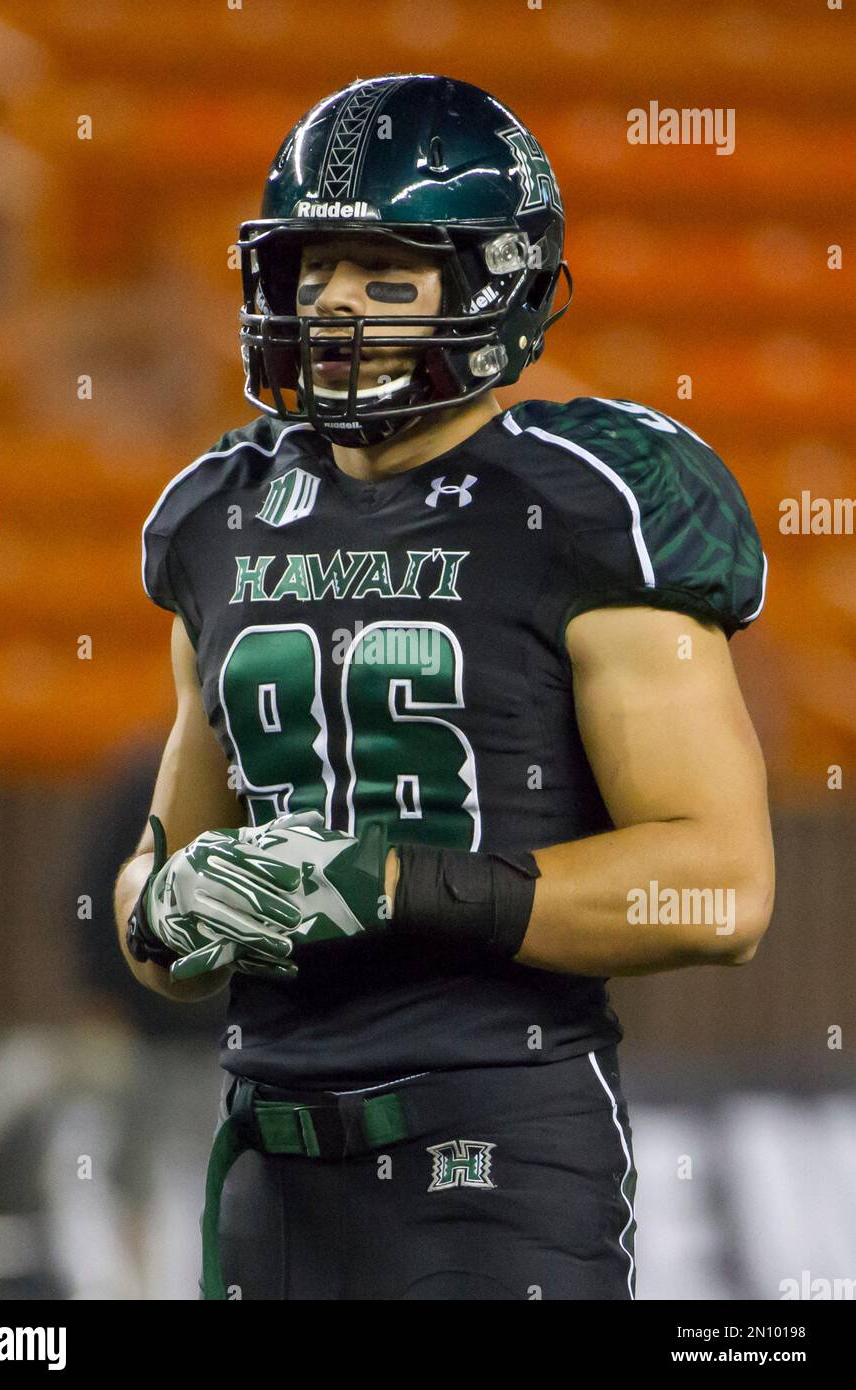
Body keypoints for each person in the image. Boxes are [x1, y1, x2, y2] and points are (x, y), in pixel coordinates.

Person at [113, 74, 774, 1301]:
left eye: (384, 274)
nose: (333, 308)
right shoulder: (226, 512)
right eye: (310, 274)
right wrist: (173, 901)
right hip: (268, 1154)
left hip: (493, 1152)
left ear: (494, 283)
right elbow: (163, 870)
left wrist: (391, 886)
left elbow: (719, 888)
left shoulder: (581, 501)